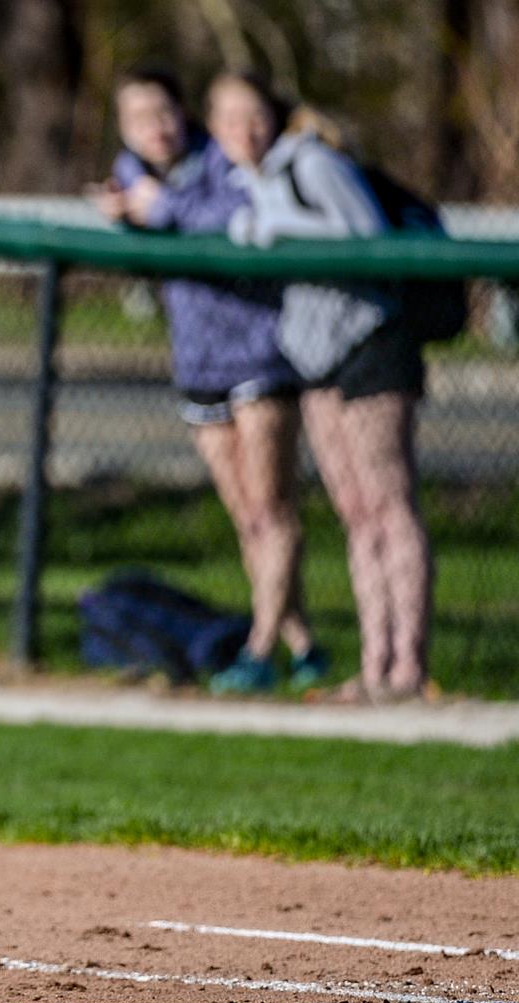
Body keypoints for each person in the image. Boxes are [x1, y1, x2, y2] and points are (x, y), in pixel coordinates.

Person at [90, 66, 324, 694]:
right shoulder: (132, 171)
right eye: (139, 119)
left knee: (273, 509)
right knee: (247, 515)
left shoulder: (222, 154)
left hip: (258, 353)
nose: (155, 129)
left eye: (163, 113)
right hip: (196, 363)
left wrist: (162, 209)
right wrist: (125, 214)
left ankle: (260, 646)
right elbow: (147, 216)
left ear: (183, 112)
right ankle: (303, 646)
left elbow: (237, 212)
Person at [211, 72, 433, 703]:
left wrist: (276, 227)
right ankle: (373, 667)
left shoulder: (312, 163)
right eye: (227, 120)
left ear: (275, 116)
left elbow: (368, 238)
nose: (242, 132)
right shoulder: (245, 184)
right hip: (314, 359)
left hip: (370, 345)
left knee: (391, 509)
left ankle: (409, 669)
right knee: (357, 515)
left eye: (253, 116)